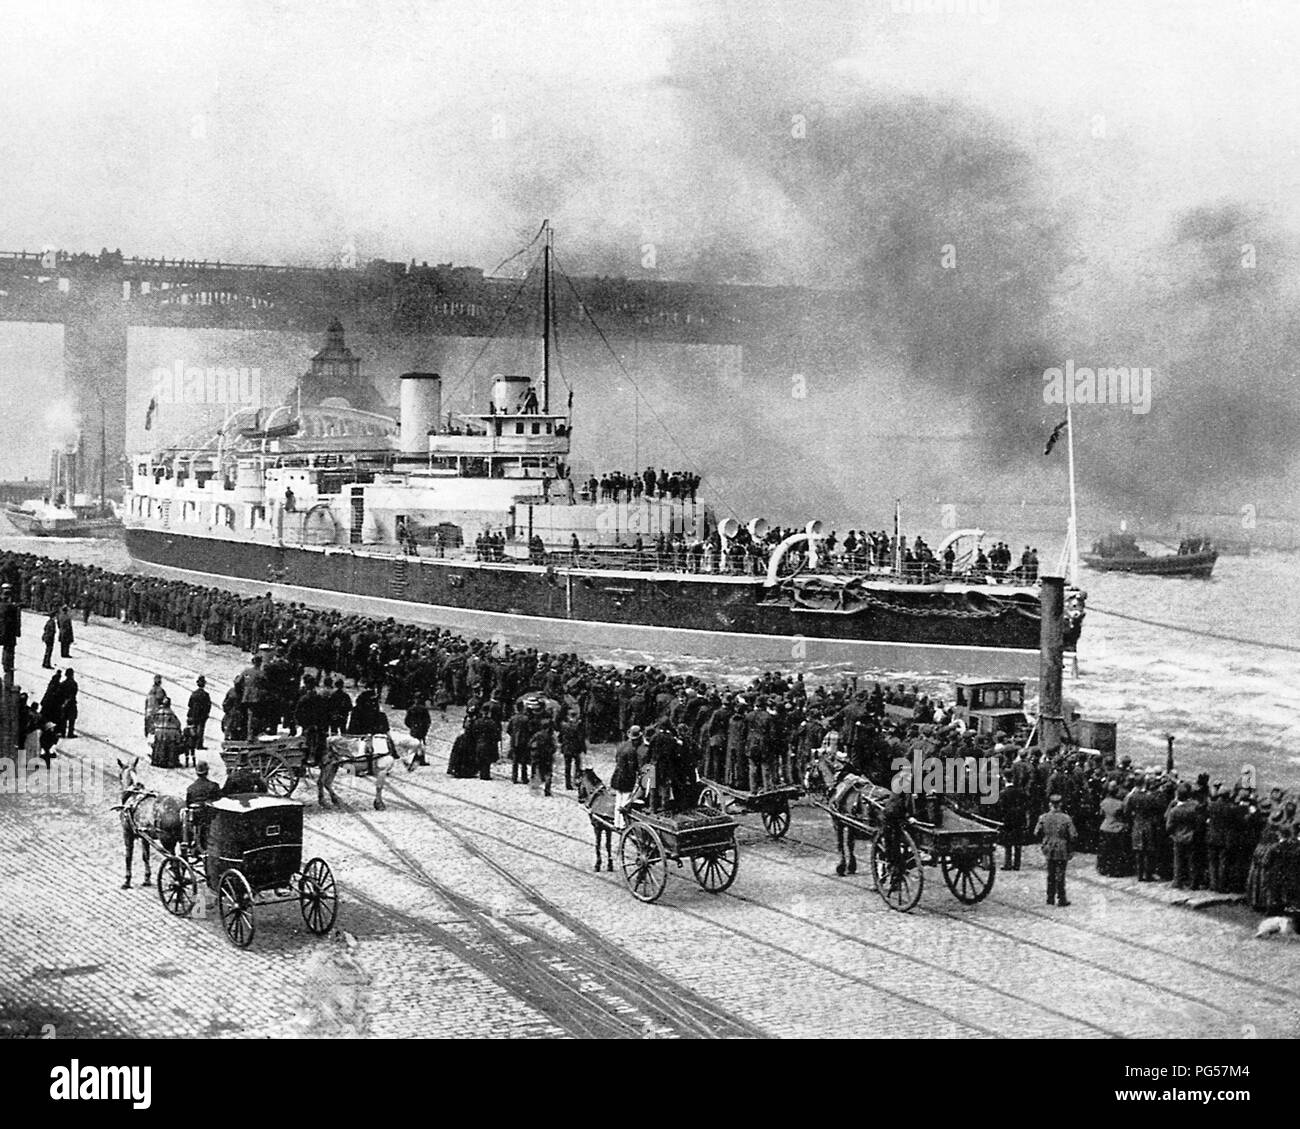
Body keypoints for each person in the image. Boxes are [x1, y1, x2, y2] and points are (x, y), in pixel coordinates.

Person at [1035, 793, 1077, 906]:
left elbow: (1036, 832)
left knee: (1050, 873)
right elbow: (1073, 835)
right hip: (1062, 847)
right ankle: (1062, 898)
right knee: (1061, 874)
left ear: (1050, 804)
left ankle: (1050, 898)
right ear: (1060, 804)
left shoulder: (1043, 817)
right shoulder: (1066, 818)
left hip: (1048, 846)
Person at [610, 726, 642, 830]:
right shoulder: (632, 750)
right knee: (626, 801)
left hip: (617, 776)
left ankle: (617, 823)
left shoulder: (621, 745)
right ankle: (624, 824)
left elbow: (616, 759)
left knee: (618, 800)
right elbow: (633, 768)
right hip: (627, 779)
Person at [185, 761, 222, 849]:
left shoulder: (191, 788)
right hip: (209, 817)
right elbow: (220, 801)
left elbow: (188, 804)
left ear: (196, 772)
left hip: (196, 817)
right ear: (207, 772)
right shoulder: (214, 786)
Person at [148, 697, 186, 769]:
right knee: (171, 746)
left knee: (159, 745)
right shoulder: (170, 712)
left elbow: (153, 722)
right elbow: (177, 723)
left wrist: (154, 729)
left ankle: (157, 760)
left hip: (159, 732)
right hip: (170, 733)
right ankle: (170, 761)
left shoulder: (158, 712)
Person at [404, 697, 432, 766]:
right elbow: (428, 720)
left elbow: (406, 721)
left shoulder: (411, 709)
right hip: (422, 729)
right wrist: (426, 728)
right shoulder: (424, 710)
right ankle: (421, 759)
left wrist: (411, 726)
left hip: (414, 728)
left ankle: (410, 759)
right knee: (420, 744)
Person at [187, 676, 212, 751]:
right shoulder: (206, 694)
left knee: (193, 729)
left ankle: (192, 744)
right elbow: (208, 705)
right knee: (200, 730)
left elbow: (189, 704)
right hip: (202, 715)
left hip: (194, 714)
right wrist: (207, 713)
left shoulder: (194, 694)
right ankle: (199, 744)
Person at [60, 669, 79, 739]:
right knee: (72, 719)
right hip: (71, 703)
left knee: (64, 719)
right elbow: (74, 692)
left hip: (64, 703)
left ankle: (63, 732)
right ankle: (70, 733)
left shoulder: (63, 683)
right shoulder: (74, 683)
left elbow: (60, 693)